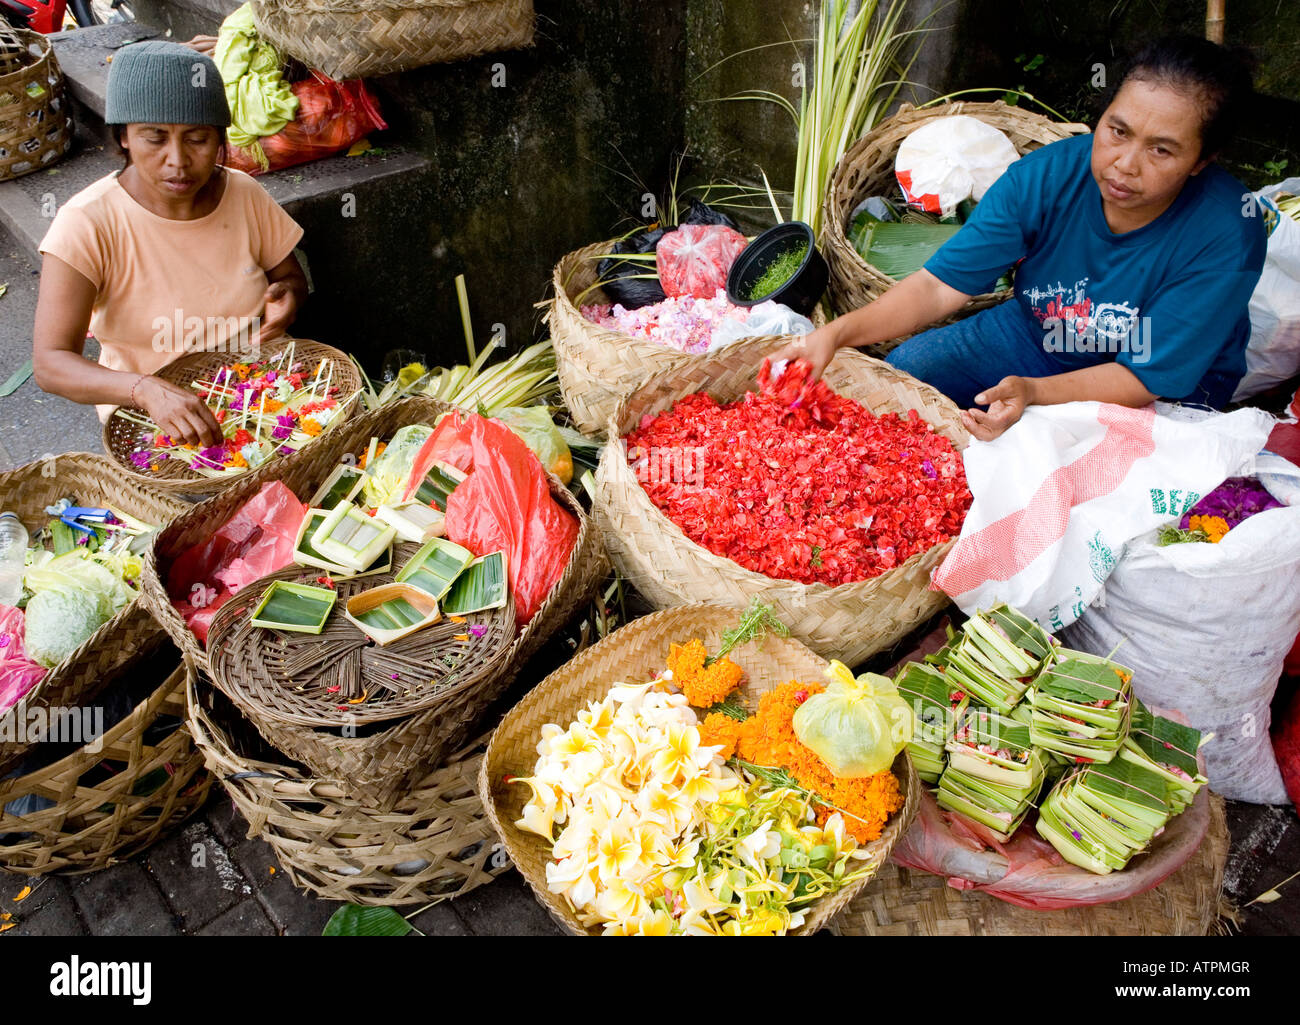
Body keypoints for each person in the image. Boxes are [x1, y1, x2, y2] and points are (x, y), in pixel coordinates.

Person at [778, 34, 1266, 441]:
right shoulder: (1045, 177)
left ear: (1202, 161)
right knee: (911, 371)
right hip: (1042, 334)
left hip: (1166, 384)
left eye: (1162, 150)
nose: (1126, 163)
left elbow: (1142, 378)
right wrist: (834, 335)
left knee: (1083, 478)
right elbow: (936, 286)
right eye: (1117, 131)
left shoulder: (1226, 232)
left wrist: (1034, 395)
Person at [32, 40, 308, 446]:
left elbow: (289, 279)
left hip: (262, 391)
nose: (177, 160)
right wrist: (143, 389)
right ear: (124, 136)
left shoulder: (243, 193)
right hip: (157, 420)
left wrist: (287, 298)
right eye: (155, 138)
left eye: (197, 139)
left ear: (219, 140)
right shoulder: (86, 223)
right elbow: (51, 363)